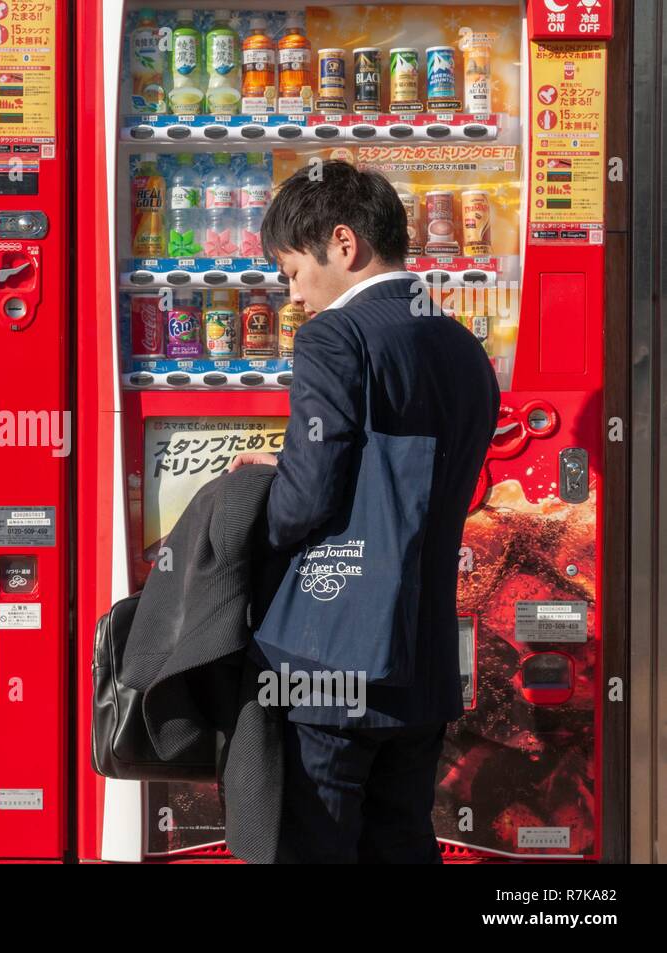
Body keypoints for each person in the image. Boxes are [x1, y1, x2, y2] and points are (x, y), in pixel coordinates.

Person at [230, 160, 500, 863]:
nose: (294, 296)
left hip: (326, 658)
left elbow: (307, 502)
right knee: (402, 843)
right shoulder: (462, 346)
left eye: (293, 272)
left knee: (311, 845)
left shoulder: (334, 337)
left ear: (343, 245)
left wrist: (246, 517)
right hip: (424, 661)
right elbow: (398, 481)